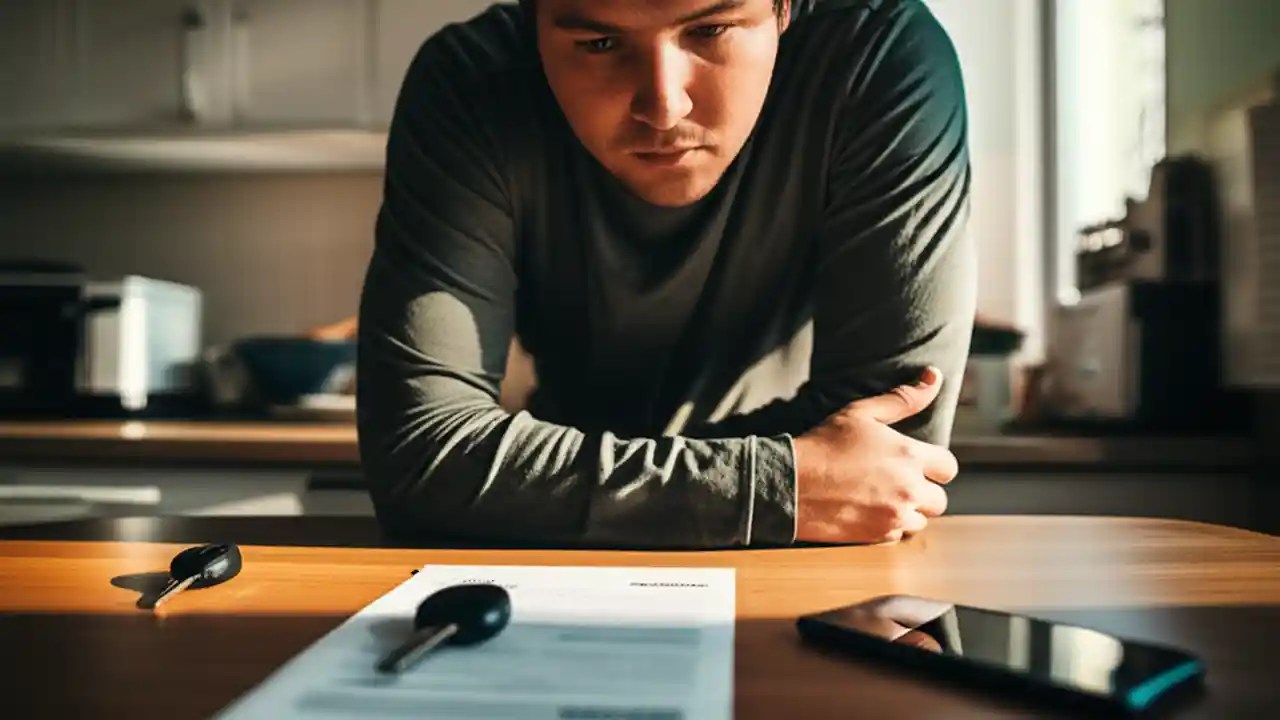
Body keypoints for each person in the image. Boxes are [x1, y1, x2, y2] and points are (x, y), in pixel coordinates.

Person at [356, 0, 976, 548]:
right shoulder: (469, 83)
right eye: (599, 44)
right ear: (531, 20)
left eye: (712, 30)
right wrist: (780, 483)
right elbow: (423, 457)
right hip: (558, 564)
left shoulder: (879, 55)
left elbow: (889, 455)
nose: (663, 105)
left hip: (770, 571)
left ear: (785, 8)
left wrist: (530, 485)